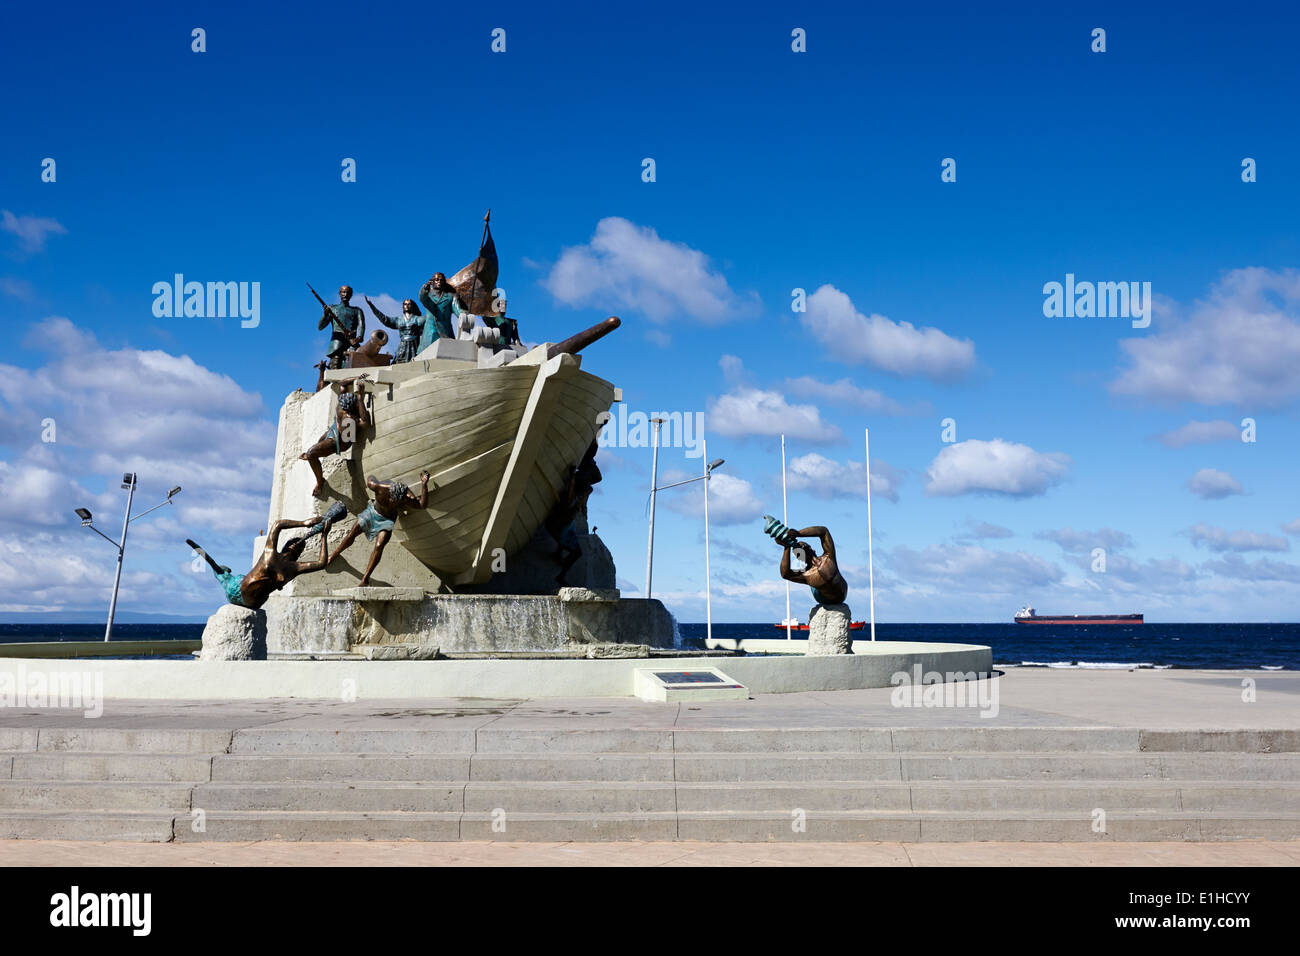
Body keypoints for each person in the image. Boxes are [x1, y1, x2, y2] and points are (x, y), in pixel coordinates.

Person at [187, 515, 334, 610]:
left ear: (299, 554)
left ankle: (221, 570)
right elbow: (278, 524)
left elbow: (322, 563)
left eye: (300, 546)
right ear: (285, 546)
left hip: (254, 602)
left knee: (224, 575)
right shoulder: (270, 553)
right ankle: (217, 566)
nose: (296, 545)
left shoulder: (294, 568)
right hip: (241, 590)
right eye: (293, 542)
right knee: (222, 575)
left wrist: (324, 536)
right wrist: (304, 523)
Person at [329, 472, 432, 586]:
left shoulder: (406, 497)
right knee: (352, 533)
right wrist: (371, 480)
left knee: (379, 545)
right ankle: (335, 554)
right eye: (393, 499)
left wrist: (424, 484)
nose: (394, 502)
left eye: (398, 502)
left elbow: (422, 505)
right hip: (373, 512)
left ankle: (365, 578)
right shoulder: (378, 487)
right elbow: (370, 478)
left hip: (387, 521)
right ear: (389, 494)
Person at [299, 375, 370, 497]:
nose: (343, 411)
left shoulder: (351, 420)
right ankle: (314, 455)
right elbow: (342, 382)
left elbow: (365, 422)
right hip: (333, 430)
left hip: (338, 443)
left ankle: (320, 482)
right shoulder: (342, 404)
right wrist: (358, 377)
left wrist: (360, 399)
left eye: (346, 411)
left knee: (311, 453)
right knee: (319, 442)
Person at [543, 441, 601, 585]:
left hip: (561, 526)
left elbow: (597, 477)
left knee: (568, 540)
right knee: (576, 552)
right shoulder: (574, 496)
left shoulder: (578, 493)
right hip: (560, 527)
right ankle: (561, 576)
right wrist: (573, 477)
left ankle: (558, 554)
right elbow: (572, 491)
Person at [779, 525, 848, 606]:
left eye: (803, 546)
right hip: (824, 599)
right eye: (798, 553)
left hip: (841, 594)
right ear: (799, 558)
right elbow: (785, 574)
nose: (801, 549)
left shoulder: (828, 557)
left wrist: (798, 533)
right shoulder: (806, 575)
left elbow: (824, 531)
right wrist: (786, 547)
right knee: (814, 582)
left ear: (812, 549)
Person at [318, 285, 365, 370]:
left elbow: (361, 326)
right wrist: (325, 315)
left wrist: (359, 338)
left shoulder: (357, 310)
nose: (345, 294)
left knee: (354, 366)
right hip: (337, 344)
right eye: (343, 292)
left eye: (348, 292)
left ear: (351, 295)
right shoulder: (333, 308)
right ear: (340, 294)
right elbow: (320, 327)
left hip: (352, 343)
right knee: (334, 368)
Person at [365, 297, 424, 364]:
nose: (407, 306)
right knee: (398, 362)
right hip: (403, 346)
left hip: (414, 346)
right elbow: (385, 319)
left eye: (409, 304)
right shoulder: (398, 319)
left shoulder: (417, 319)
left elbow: (428, 320)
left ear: (412, 306)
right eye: (405, 304)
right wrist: (372, 307)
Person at [417, 273, 464, 350]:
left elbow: (458, 310)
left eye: (441, 280)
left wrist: (465, 314)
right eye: (436, 280)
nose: (439, 281)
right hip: (430, 334)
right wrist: (425, 287)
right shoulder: (428, 295)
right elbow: (422, 297)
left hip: (445, 332)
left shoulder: (450, 297)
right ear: (432, 282)